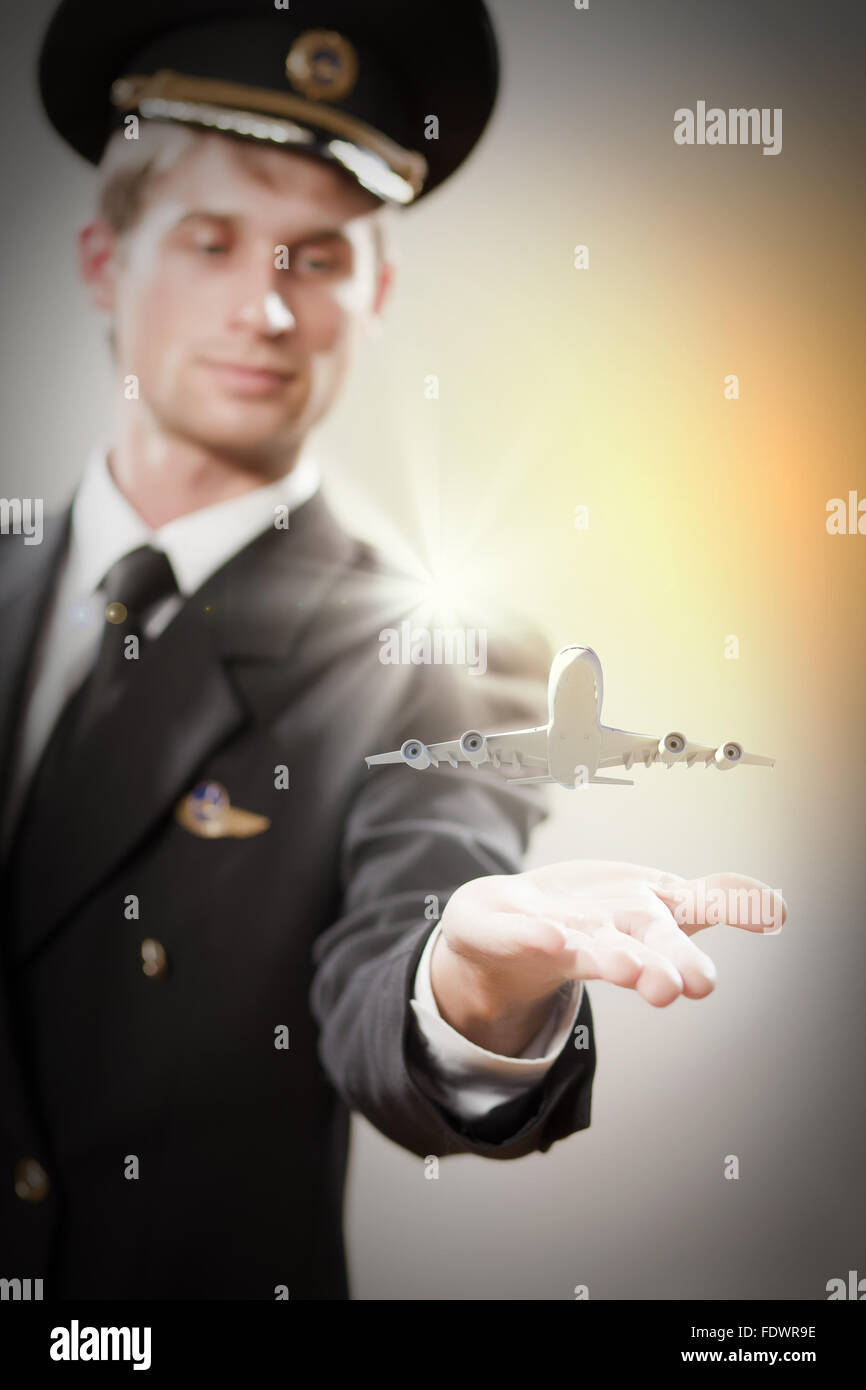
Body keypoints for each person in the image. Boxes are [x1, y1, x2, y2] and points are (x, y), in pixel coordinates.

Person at [0, 0, 784, 1300]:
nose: (264, 305)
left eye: (318, 256)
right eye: (211, 241)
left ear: (378, 292)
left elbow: (411, 928)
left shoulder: (434, 650)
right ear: (103, 260)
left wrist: (463, 977)